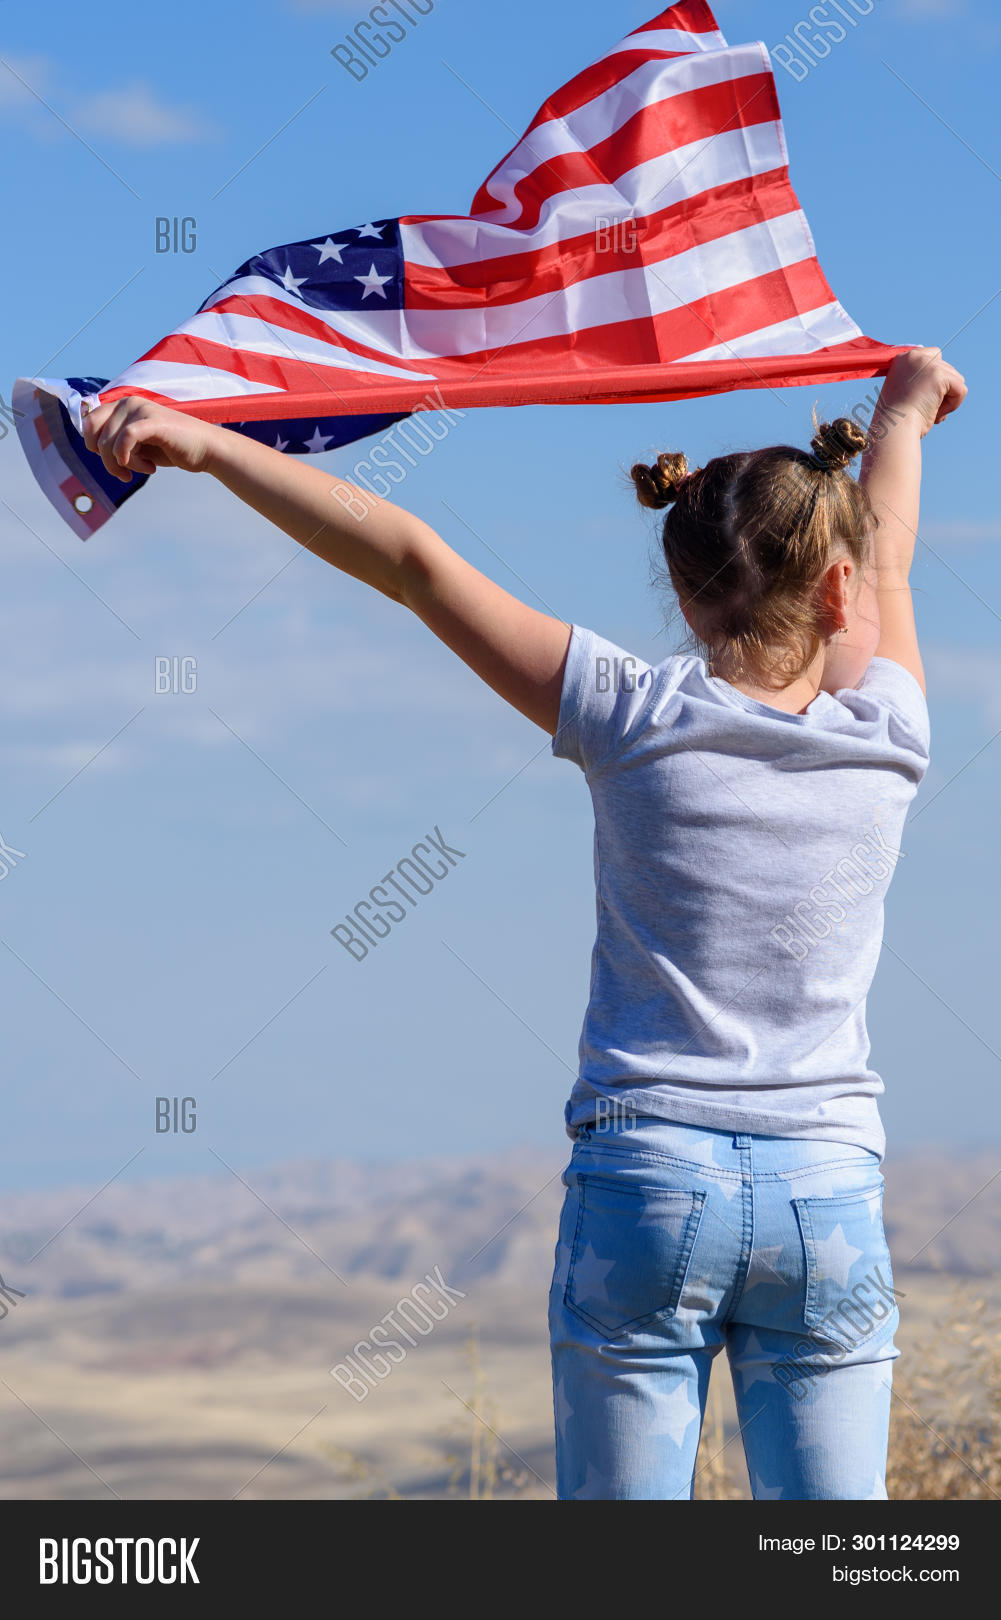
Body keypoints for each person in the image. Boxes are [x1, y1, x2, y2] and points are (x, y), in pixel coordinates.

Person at [82, 345, 967, 1500]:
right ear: (839, 591)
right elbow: (887, 561)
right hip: (824, 1194)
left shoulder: (625, 712)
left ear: (684, 593)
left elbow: (407, 560)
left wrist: (206, 446)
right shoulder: (887, 734)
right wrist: (898, 415)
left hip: (647, 1182)